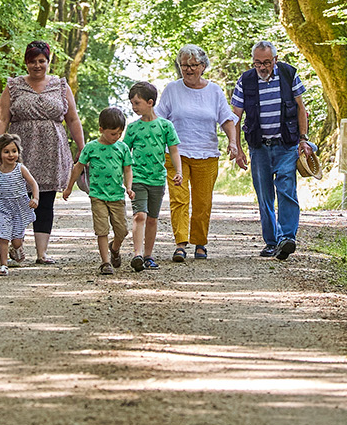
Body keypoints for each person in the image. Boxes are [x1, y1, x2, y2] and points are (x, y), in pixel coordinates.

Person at [0, 40, 84, 264]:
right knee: (15, 198)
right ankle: (16, 244)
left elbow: (72, 119)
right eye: (32, 62)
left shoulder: (61, 86)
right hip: (21, 150)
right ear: (26, 63)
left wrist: (83, 148)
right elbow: (2, 119)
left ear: (48, 62)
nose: (37, 66)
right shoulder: (13, 86)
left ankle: (42, 253)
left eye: (41, 61)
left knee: (46, 201)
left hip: (52, 150)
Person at [158, 44, 246, 263]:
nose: (188, 70)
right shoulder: (172, 90)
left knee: (202, 202)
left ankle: (200, 243)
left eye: (193, 65)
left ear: (203, 66)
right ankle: (180, 244)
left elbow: (227, 119)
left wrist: (233, 143)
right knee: (179, 199)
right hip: (176, 154)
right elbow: (159, 120)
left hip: (207, 153)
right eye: (184, 65)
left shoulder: (214, 91)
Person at [230, 41, 313, 261]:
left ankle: (287, 237)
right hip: (259, 147)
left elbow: (300, 108)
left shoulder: (288, 74)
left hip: (286, 144)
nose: (263, 67)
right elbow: (235, 117)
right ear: (253, 62)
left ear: (275, 59)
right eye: (258, 63)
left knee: (287, 189)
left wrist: (303, 139)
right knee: (265, 195)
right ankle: (272, 242)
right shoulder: (245, 81)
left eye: (267, 62)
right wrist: (237, 148)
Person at [62, 107, 134, 276]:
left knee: (122, 230)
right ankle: (105, 262)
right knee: (102, 230)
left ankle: (114, 248)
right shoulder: (91, 148)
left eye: (119, 134)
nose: (116, 137)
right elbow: (78, 167)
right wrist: (69, 187)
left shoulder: (122, 148)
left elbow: (128, 169)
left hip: (117, 195)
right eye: (113, 134)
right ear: (101, 130)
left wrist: (129, 187)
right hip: (97, 196)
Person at [122, 82, 182, 271]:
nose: (134, 107)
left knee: (152, 219)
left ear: (150, 102)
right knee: (140, 215)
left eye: (137, 103)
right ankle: (137, 254)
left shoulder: (165, 126)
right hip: (138, 178)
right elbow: (124, 154)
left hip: (157, 179)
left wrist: (178, 171)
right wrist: (124, 179)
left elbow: (173, 151)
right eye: (132, 103)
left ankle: (148, 255)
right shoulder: (132, 128)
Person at [0, 134, 39, 276]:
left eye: (14, 151)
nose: (11, 155)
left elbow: (33, 183)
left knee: (16, 241)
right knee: (3, 236)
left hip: (19, 207)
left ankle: (16, 248)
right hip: (2, 207)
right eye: (6, 151)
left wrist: (35, 198)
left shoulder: (21, 168)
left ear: (18, 153)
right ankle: (3, 266)